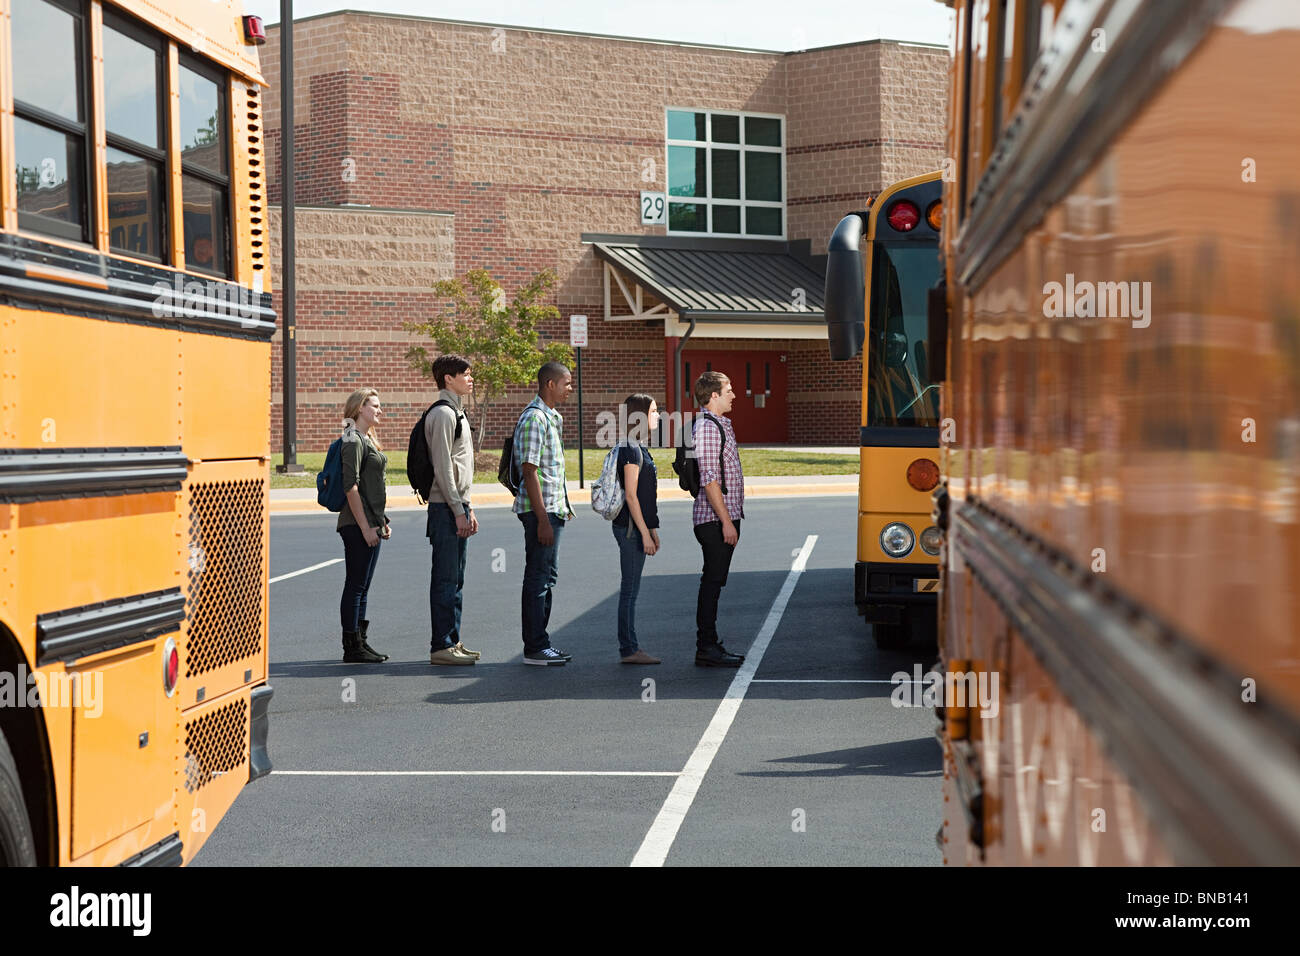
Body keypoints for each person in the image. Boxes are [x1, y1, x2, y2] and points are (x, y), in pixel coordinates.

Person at [513, 362, 575, 665]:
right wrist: (542, 521)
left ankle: (541, 643)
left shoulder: (553, 417)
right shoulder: (534, 419)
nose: (570, 388)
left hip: (553, 510)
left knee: (546, 577)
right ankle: (535, 647)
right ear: (549, 384)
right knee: (538, 578)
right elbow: (529, 471)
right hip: (542, 513)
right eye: (566, 383)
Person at [425, 354, 479, 666]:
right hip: (444, 507)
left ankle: (453, 641)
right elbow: (443, 468)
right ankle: (441, 646)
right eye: (466, 375)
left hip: (457, 505)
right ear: (449, 379)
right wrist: (458, 509)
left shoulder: (456, 412)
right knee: (445, 579)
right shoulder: (444, 414)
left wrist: (467, 507)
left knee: (456, 579)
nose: (470, 379)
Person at [691, 371, 746, 667]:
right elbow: (709, 479)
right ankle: (706, 647)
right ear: (713, 395)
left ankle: (709, 644)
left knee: (715, 582)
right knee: (711, 583)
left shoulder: (718, 423)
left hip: (722, 518)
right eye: (729, 389)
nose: (733, 395)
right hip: (714, 521)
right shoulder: (708, 428)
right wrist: (726, 522)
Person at [337, 388, 391, 664]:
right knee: (355, 585)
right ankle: (351, 646)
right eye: (375, 405)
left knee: (363, 587)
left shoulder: (366, 438)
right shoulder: (353, 439)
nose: (380, 410)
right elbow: (351, 487)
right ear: (360, 408)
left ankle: (361, 642)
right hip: (356, 524)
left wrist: (380, 521)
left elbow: (372, 487)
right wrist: (365, 527)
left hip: (370, 522)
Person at [611, 394, 662, 664]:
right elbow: (631, 496)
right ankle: (629, 649)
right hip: (630, 529)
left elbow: (645, 495)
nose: (658, 415)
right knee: (629, 590)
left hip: (639, 527)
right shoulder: (630, 449)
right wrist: (643, 533)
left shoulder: (639, 447)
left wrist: (652, 528)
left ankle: (629, 647)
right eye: (654, 411)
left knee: (632, 589)